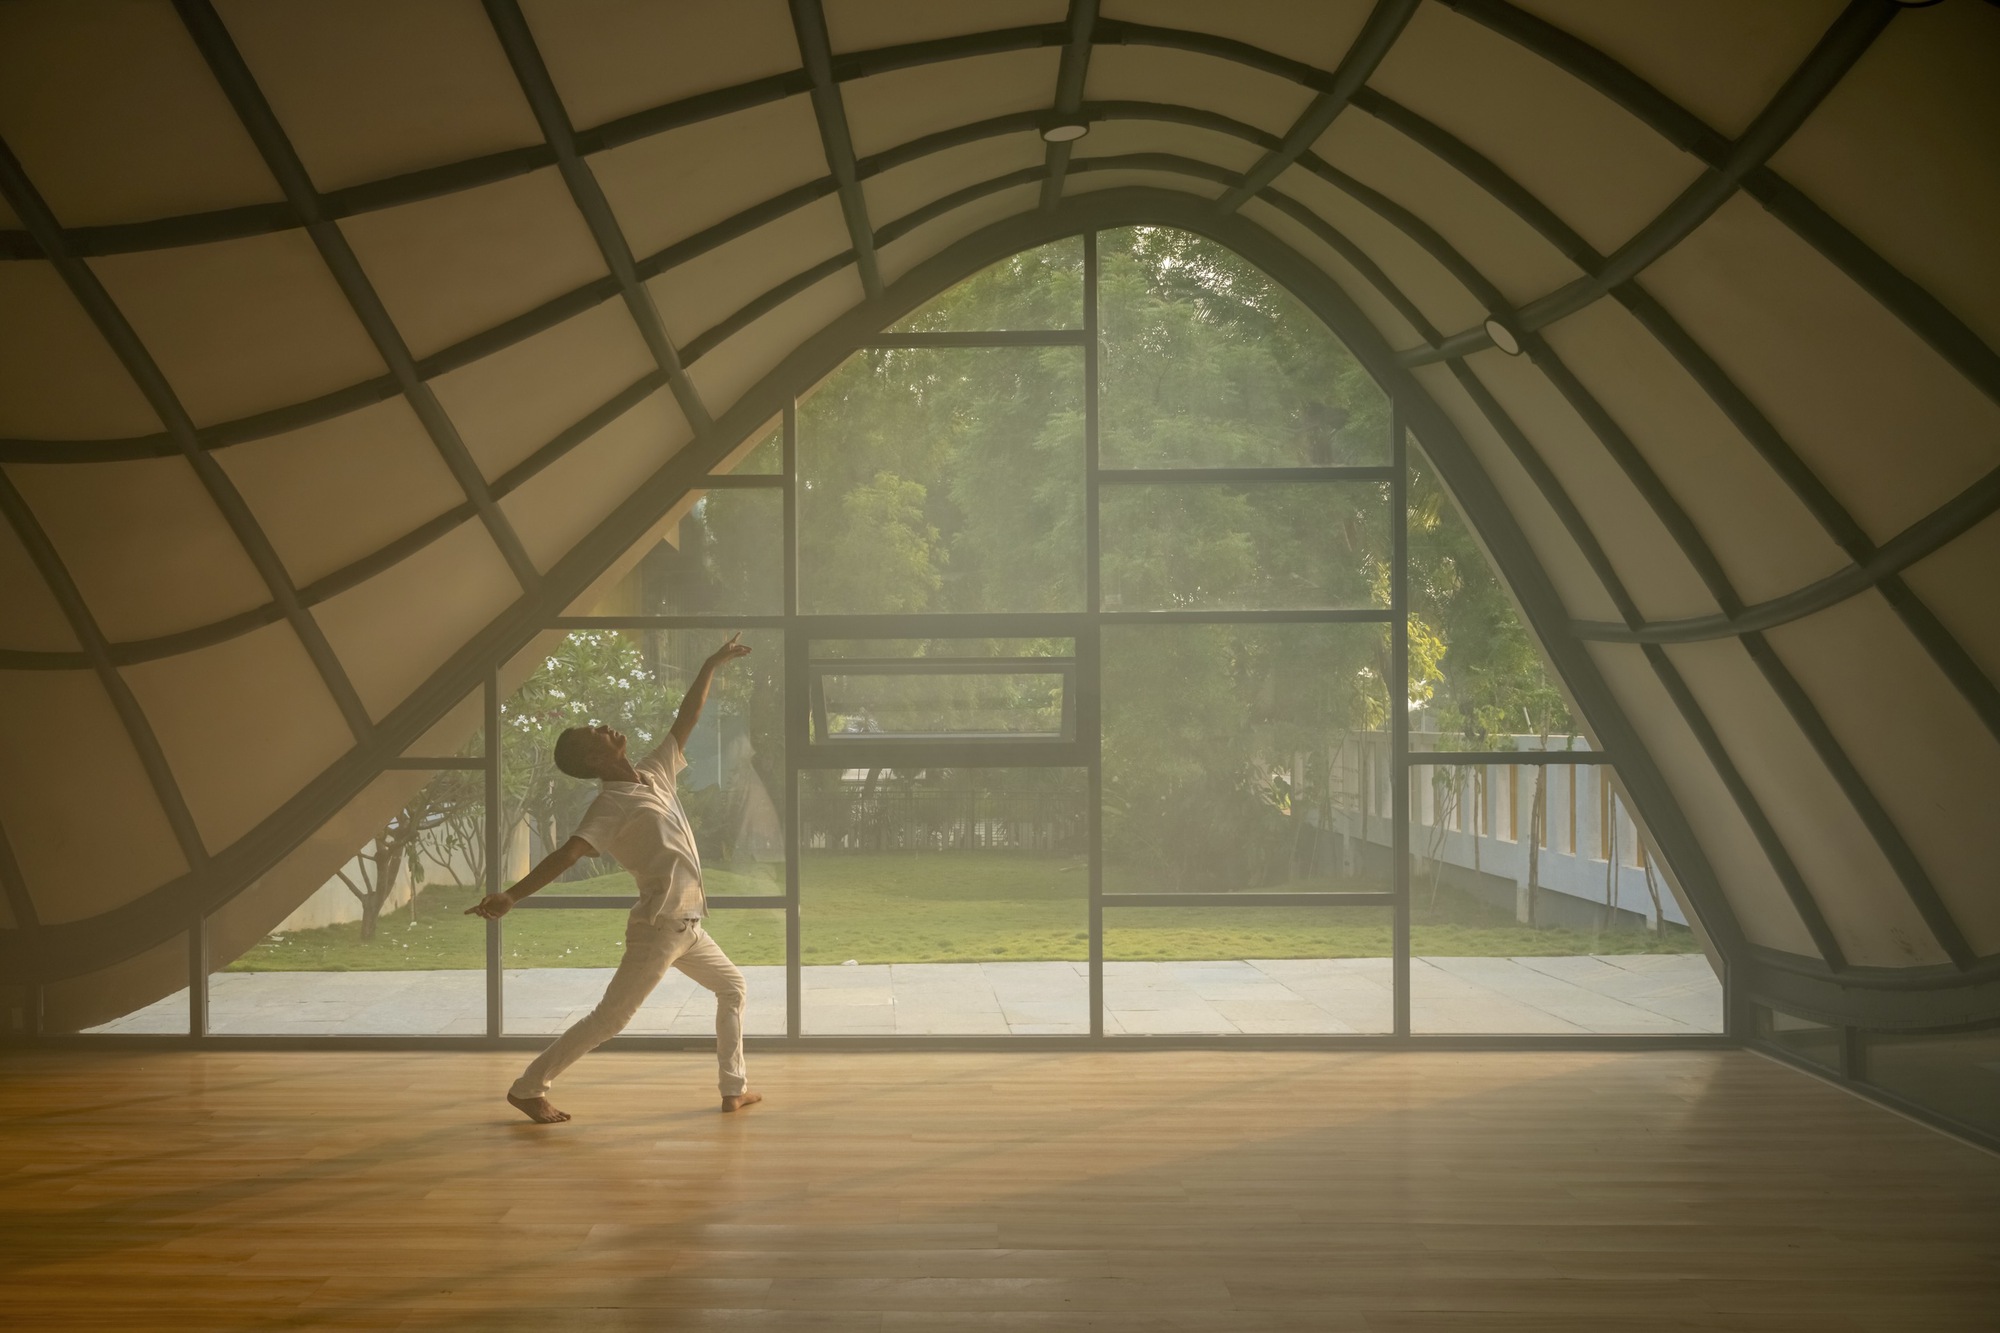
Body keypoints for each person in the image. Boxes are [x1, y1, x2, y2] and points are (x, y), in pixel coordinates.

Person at [468, 633, 763, 1122]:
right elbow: (567, 855)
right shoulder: (610, 806)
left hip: (688, 928)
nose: (605, 726)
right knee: (610, 1019)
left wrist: (711, 663)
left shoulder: (653, 774)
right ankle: (527, 1088)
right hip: (659, 930)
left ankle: (734, 1089)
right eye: (595, 732)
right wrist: (512, 896)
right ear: (594, 760)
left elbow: (686, 718)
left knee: (732, 987)